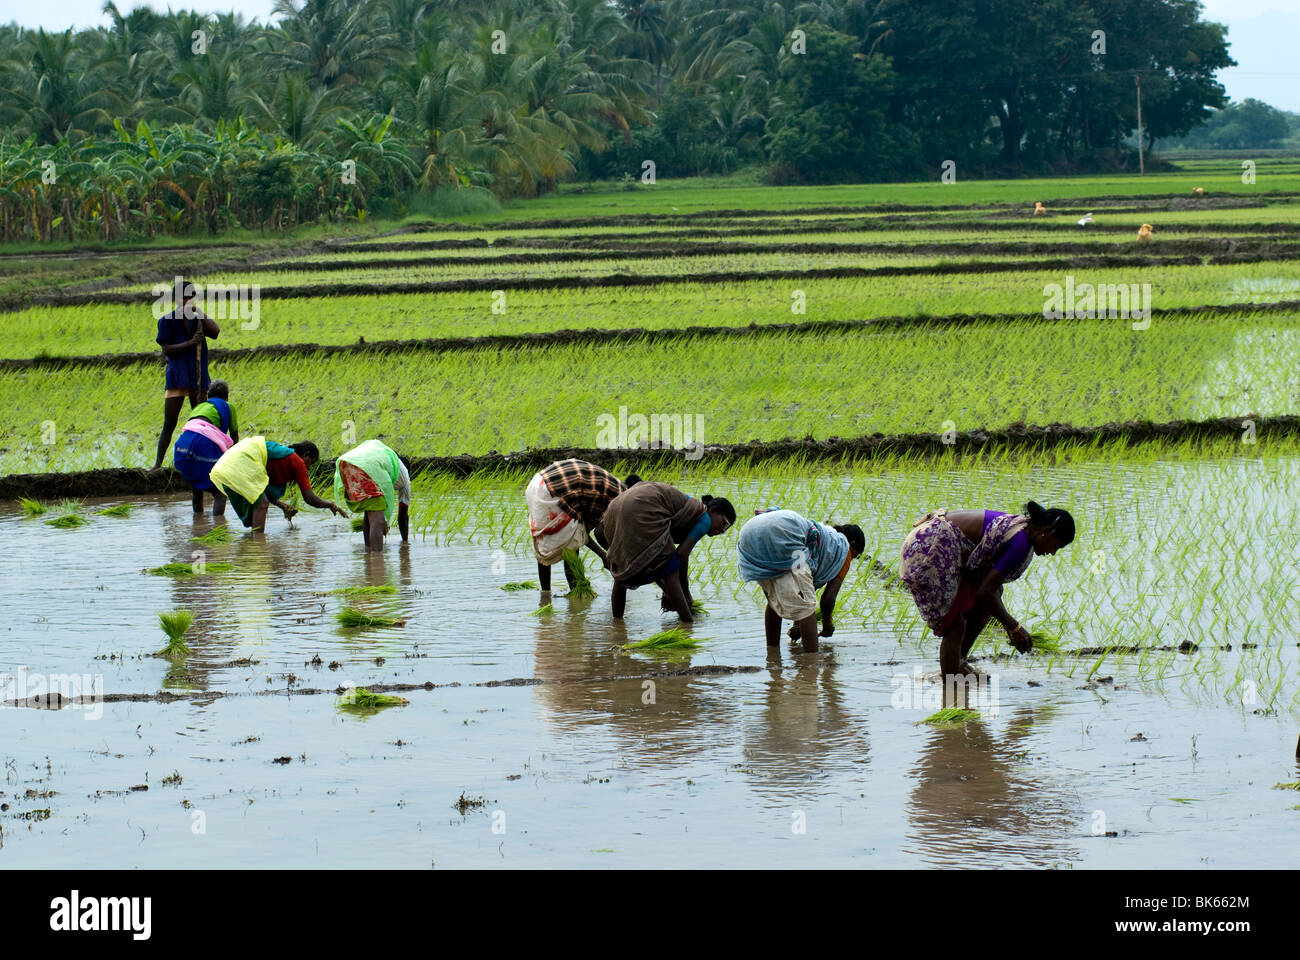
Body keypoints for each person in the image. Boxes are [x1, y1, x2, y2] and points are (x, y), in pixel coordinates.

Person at [899, 501, 1075, 679]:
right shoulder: (1020, 542)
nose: (1052, 553)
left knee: (993, 597)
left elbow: (990, 589)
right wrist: (1014, 627)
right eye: (1056, 546)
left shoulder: (1022, 533)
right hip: (929, 545)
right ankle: (951, 687)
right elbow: (984, 592)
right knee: (955, 624)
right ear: (1046, 532)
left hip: (937, 541)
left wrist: (1010, 625)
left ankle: (958, 661)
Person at [593, 482, 735, 622]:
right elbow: (681, 554)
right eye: (724, 523)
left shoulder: (690, 511)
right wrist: (686, 594)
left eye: (725, 530)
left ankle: (617, 624)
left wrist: (668, 591)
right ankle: (688, 624)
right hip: (641, 506)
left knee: (623, 567)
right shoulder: (704, 519)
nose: (721, 530)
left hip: (617, 506)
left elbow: (655, 559)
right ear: (713, 510)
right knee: (671, 569)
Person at [737, 509, 864, 654]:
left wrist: (798, 625)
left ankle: (772, 656)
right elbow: (827, 600)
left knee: (775, 601)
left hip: (750, 533)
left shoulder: (824, 539)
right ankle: (811, 666)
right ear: (852, 544)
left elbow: (800, 588)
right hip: (783, 532)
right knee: (807, 607)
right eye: (855, 555)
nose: (851, 559)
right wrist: (827, 624)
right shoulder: (844, 549)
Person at [525, 459, 641, 592]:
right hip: (555, 488)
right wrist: (605, 556)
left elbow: (583, 529)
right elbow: (598, 532)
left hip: (537, 484)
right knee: (572, 545)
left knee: (545, 543)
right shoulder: (621, 499)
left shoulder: (611, 486)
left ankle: (545, 595)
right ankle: (575, 592)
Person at [152, 279, 220, 472]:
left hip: (197, 377)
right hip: (177, 376)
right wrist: (191, 343)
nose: (187, 300)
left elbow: (215, 332)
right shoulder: (167, 320)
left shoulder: (198, 320)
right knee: (169, 422)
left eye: (190, 296)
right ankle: (158, 464)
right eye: (183, 297)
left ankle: (207, 462)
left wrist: (200, 313)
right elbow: (167, 350)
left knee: (201, 423)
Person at [209, 436, 346, 531]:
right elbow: (309, 497)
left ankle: (253, 544)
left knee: (257, 509)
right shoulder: (298, 462)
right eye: (311, 463)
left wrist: (282, 506)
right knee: (262, 504)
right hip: (241, 461)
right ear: (306, 455)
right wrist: (330, 505)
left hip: (228, 461)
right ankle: (259, 546)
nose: (309, 468)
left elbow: (263, 487)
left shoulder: (280, 456)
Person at [172, 380, 239, 516]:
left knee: (196, 487)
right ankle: (218, 531)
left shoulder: (200, 407)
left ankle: (198, 524)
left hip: (182, 445)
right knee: (220, 492)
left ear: (209, 395)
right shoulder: (228, 406)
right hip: (203, 442)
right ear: (227, 397)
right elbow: (234, 437)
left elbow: (194, 428)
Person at [334, 439, 411, 552]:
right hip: (367, 467)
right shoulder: (405, 478)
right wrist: (405, 542)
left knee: (370, 511)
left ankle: (368, 553)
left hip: (346, 463)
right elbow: (402, 516)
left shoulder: (383, 458)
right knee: (378, 521)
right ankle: (377, 561)